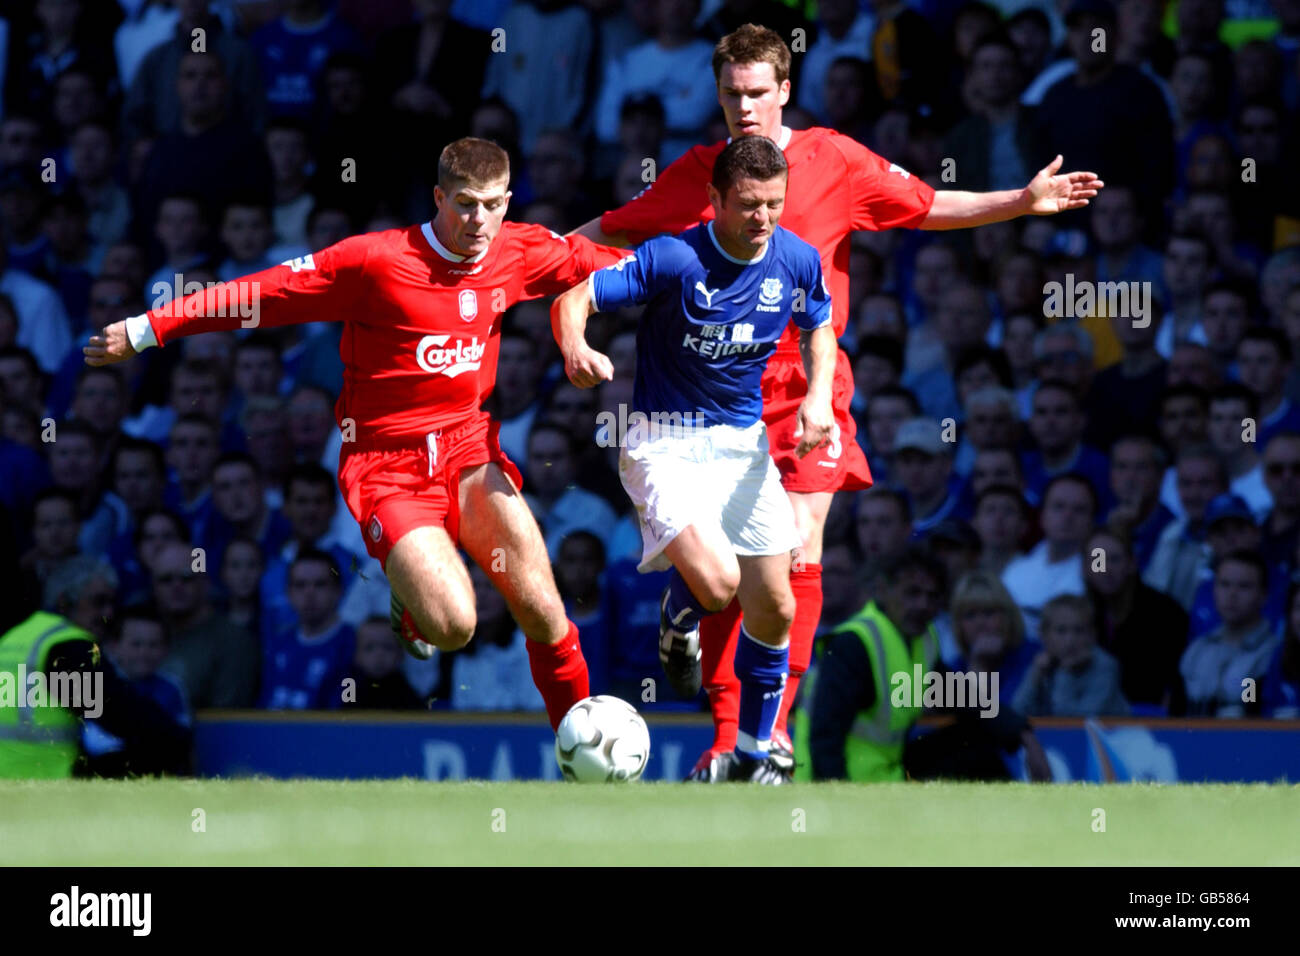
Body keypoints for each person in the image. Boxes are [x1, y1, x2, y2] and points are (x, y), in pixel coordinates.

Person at [572, 23, 1103, 777]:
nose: (745, 107)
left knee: (795, 557)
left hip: (808, 389)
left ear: (785, 89)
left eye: (758, 92)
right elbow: (609, 232)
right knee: (728, 578)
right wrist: (515, 266)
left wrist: (1021, 199)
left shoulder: (836, 159)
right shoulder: (699, 173)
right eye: (731, 93)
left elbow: (926, 205)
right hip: (713, 396)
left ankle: (756, 740)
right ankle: (709, 659)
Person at [86, 137, 626, 733]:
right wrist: (145, 329)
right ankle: (411, 601)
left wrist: (726, 244)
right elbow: (258, 295)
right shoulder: (374, 261)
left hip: (469, 449)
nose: (479, 221)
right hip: (386, 466)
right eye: (466, 204)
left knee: (544, 609)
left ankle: (582, 749)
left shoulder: (519, 249)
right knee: (454, 627)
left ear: (508, 201)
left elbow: (616, 259)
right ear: (439, 197)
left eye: (493, 205)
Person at [552, 135, 836, 782]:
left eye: (774, 203)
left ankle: (757, 754)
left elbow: (819, 321)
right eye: (747, 204)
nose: (762, 217)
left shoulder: (794, 259)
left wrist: (819, 395)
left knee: (777, 607)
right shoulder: (675, 258)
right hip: (663, 440)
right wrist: (577, 348)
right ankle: (678, 616)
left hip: (744, 444)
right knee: (717, 585)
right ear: (713, 200)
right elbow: (575, 298)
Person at [797, 546, 1049, 782]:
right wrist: (835, 802)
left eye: (932, 596)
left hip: (886, 772)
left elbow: (963, 699)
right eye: (912, 593)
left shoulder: (923, 640)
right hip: (841, 781)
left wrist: (1024, 736)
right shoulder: (854, 644)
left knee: (975, 739)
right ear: (883, 590)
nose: (922, 605)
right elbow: (824, 737)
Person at [0, 556, 191, 779]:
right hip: (48, 783)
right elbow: (123, 713)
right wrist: (177, 740)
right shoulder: (67, 648)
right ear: (65, 602)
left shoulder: (15, 638)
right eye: (98, 602)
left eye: (112, 603)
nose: (108, 613)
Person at [1012, 594, 1130, 717]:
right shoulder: (1044, 662)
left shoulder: (1105, 667)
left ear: (1092, 635)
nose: (1070, 640)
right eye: (1061, 630)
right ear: (1043, 635)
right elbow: (1017, 712)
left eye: (1079, 630)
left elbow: (1075, 724)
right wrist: (1035, 676)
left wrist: (1066, 672)